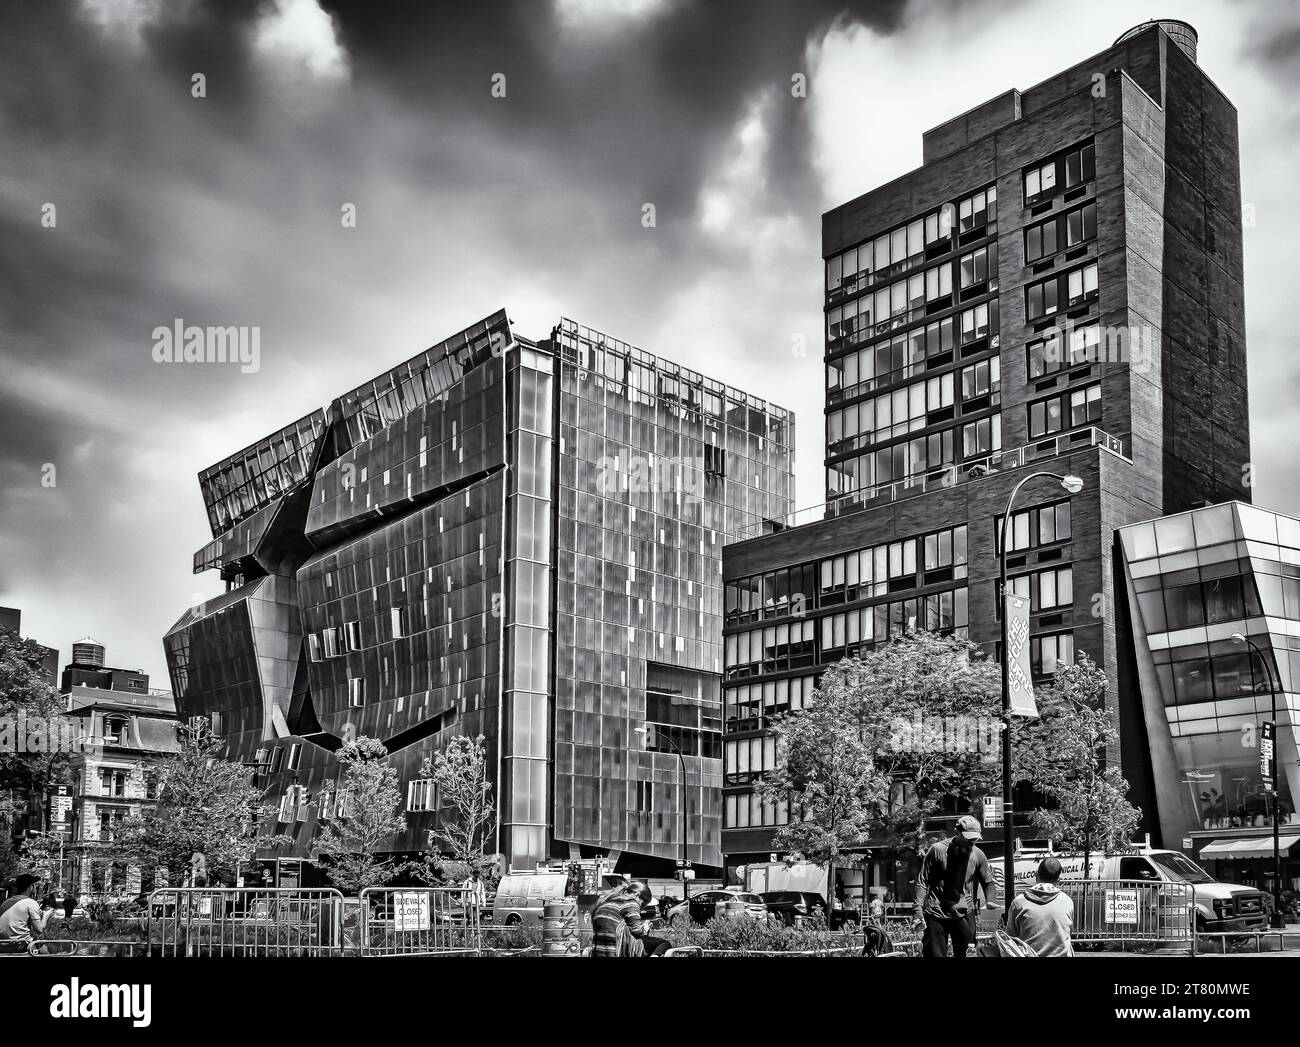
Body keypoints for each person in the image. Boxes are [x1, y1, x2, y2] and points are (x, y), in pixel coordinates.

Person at [913, 815, 994, 958]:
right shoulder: (937, 850)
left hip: (964, 911)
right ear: (957, 833)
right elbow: (922, 881)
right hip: (936, 911)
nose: (971, 842)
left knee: (969, 955)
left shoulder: (978, 855)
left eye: (975, 839)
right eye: (968, 838)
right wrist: (917, 911)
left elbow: (988, 883)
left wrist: (990, 900)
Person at [1006, 856, 1074, 956]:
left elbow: (1010, 938)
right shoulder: (1067, 902)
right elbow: (1068, 932)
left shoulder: (1019, 902)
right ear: (1058, 880)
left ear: (1036, 875)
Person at [591, 880, 664, 957]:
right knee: (663, 944)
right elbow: (637, 930)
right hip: (619, 947)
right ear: (637, 895)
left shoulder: (606, 903)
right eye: (642, 905)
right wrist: (645, 929)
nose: (641, 909)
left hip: (600, 950)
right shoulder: (630, 902)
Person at [0, 874, 62, 954]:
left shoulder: (6, 902)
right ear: (30, 887)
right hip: (20, 945)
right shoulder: (30, 902)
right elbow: (39, 929)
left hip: (2, 945)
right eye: (34, 885)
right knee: (53, 949)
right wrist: (46, 916)